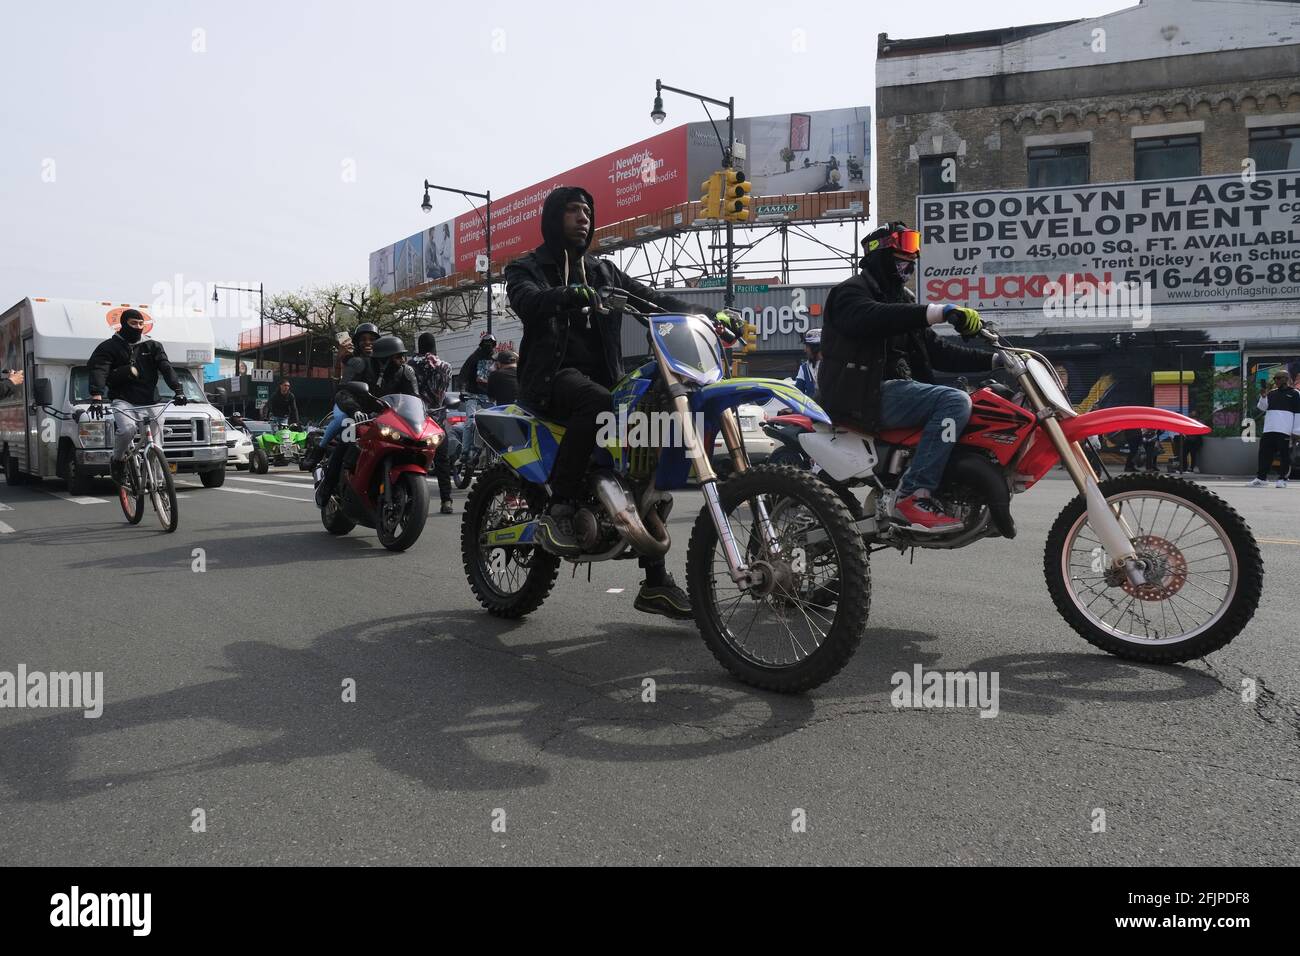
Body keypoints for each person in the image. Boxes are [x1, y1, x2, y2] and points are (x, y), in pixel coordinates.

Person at [504, 184, 709, 620]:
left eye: (588, 211)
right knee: (597, 402)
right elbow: (527, 302)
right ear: (553, 217)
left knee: (642, 453)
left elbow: (653, 300)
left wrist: (705, 313)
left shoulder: (604, 272)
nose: (583, 218)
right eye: (574, 210)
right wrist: (567, 295)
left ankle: (655, 584)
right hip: (552, 379)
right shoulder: (528, 266)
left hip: (604, 381)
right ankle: (560, 506)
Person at [817, 221, 995, 533]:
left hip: (893, 391)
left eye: (914, 249)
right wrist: (941, 311)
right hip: (861, 395)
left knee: (983, 404)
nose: (910, 258)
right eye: (903, 249)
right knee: (954, 402)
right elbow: (874, 317)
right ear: (879, 253)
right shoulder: (849, 293)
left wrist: (996, 358)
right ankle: (914, 494)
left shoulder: (902, 298)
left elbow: (936, 351)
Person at [86, 308, 188, 485]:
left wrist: (178, 390)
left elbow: (166, 367)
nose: (138, 327)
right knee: (127, 430)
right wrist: (96, 395)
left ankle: (159, 484)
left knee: (156, 444)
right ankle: (117, 460)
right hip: (123, 400)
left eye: (141, 324)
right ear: (123, 324)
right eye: (133, 323)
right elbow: (99, 370)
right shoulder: (108, 347)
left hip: (151, 400)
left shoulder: (153, 346)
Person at [314, 323, 381, 506]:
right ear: (357, 342)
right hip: (352, 409)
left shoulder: (385, 362)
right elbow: (342, 389)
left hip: (377, 413)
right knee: (346, 439)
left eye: (372, 339)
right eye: (364, 340)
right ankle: (327, 486)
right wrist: (339, 358)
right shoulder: (353, 361)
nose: (368, 343)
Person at [409, 331, 454, 513]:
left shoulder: (410, 366)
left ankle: (412, 500)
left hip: (415, 418)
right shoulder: (446, 367)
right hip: (437, 420)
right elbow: (442, 393)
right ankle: (447, 501)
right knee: (443, 461)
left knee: (412, 460)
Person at [1248, 370, 1299, 488]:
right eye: (1275, 378)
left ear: (1286, 379)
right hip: (1269, 429)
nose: (1276, 380)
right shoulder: (1271, 393)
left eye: (1278, 378)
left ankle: (1283, 479)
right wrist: (1263, 396)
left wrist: (1296, 431)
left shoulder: (1295, 393)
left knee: (1284, 455)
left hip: (1285, 430)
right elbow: (1262, 407)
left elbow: (1298, 413)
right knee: (1264, 454)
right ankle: (1261, 478)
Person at [794, 330, 821, 398]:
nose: (805, 350)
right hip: (810, 408)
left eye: (807, 347)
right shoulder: (804, 368)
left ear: (815, 348)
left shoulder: (830, 366)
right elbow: (798, 394)